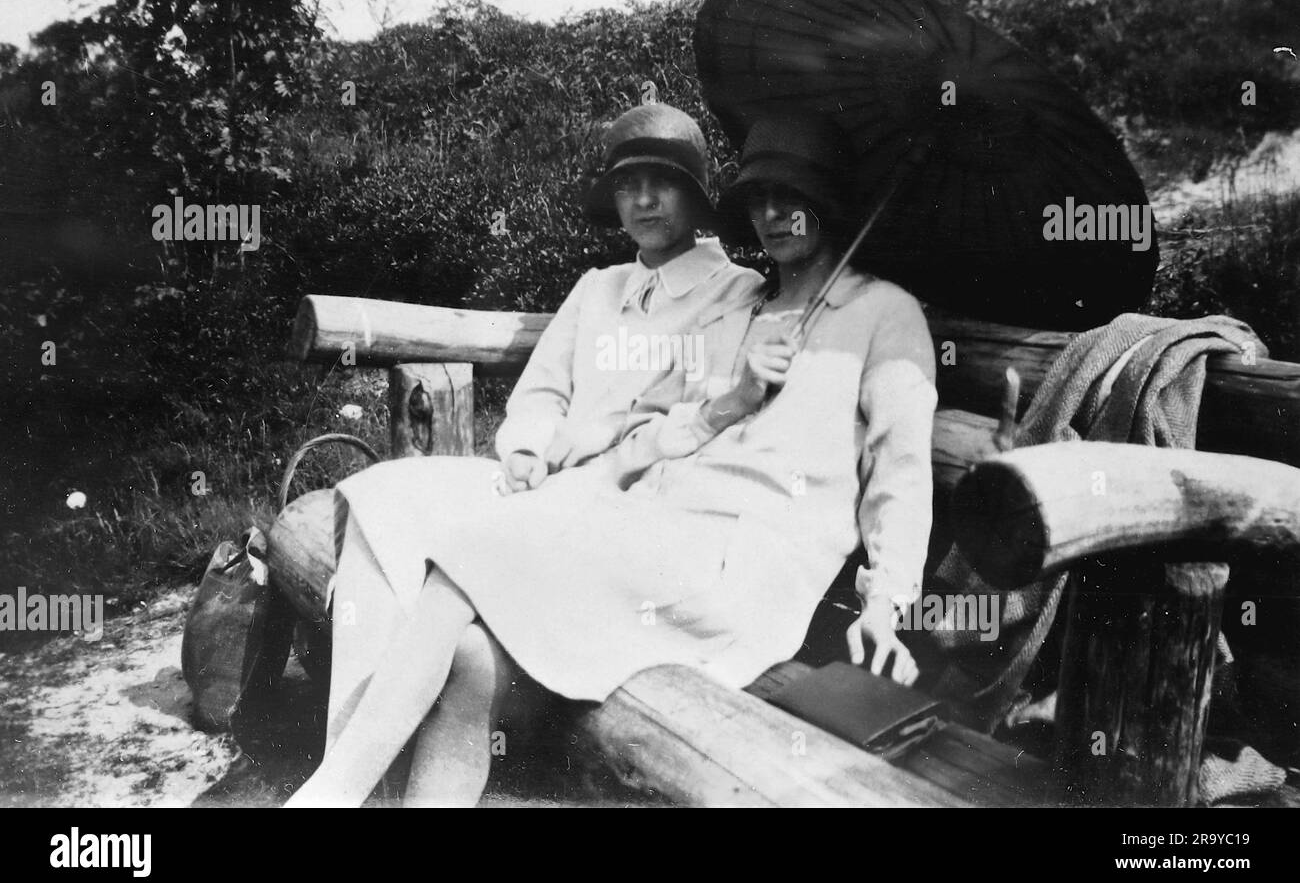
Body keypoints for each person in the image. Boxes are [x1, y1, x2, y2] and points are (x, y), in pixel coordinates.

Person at [288, 114, 938, 808]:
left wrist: (887, 604)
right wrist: (730, 398)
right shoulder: (743, 311)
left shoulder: (884, 314)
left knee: (468, 559)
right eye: (761, 198)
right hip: (654, 529)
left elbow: (901, 474)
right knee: (472, 659)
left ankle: (328, 796)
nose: (776, 215)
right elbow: (654, 424)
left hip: (745, 563)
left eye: (795, 197)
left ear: (832, 200)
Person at [320, 101, 763, 762]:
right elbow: (544, 391)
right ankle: (344, 765)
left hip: (623, 508)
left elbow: (696, 420)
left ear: (697, 198)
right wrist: (526, 447)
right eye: (625, 186)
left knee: (454, 574)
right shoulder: (599, 288)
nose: (642, 201)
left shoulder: (735, 293)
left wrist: (605, 433)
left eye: (661, 184)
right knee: (379, 497)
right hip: (539, 486)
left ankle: (343, 781)